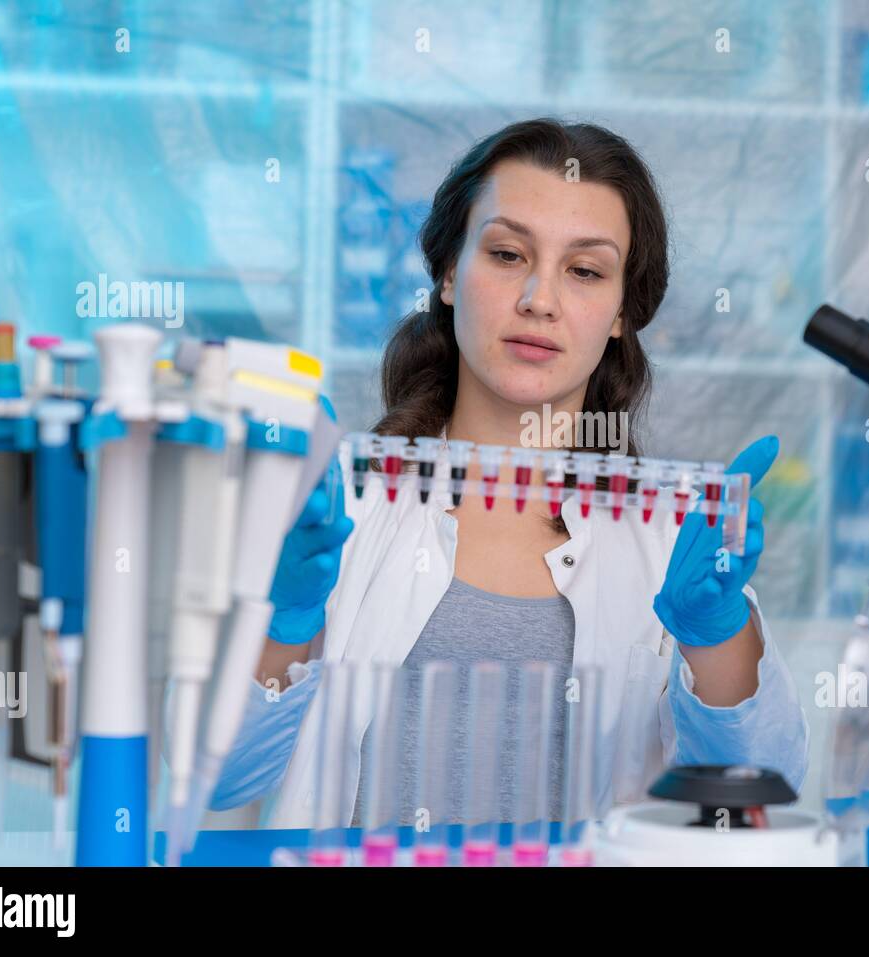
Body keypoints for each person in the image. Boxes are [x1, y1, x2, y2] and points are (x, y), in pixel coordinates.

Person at [207, 118, 809, 830]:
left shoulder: (668, 539)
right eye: (506, 253)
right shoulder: (338, 508)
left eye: (585, 270)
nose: (539, 299)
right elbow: (216, 778)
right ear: (449, 274)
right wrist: (287, 620)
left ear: (621, 313)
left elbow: (765, 792)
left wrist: (716, 634)